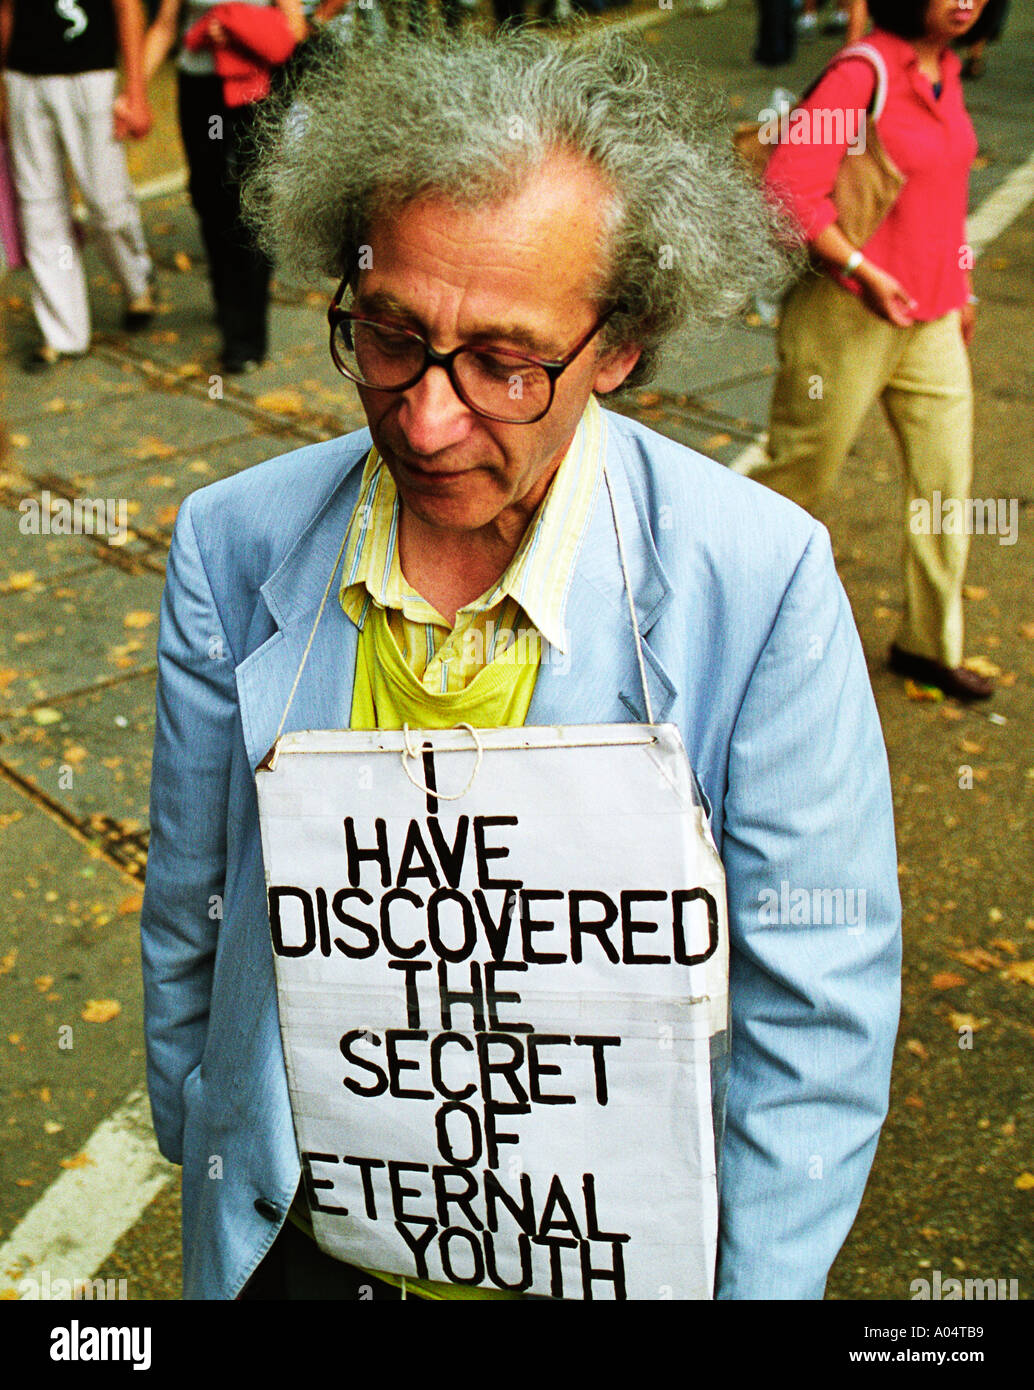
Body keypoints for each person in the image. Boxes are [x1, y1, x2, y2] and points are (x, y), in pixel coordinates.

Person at [141, 27, 901, 1300]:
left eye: (505, 365)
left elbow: (815, 1002)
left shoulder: (756, 580)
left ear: (619, 348)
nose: (428, 420)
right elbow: (193, 891)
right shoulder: (234, 541)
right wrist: (209, 1132)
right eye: (387, 337)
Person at [749, 0, 995, 701]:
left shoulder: (945, 70)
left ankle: (928, 645)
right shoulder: (863, 71)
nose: (965, 1)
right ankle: (726, 619)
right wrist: (859, 270)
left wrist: (965, 286)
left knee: (947, 486)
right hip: (847, 311)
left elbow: (945, 196)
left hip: (933, 317)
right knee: (799, 481)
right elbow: (788, 189)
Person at [142, 0, 306, 374]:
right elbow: (166, 27)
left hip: (255, 86)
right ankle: (227, 296)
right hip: (198, 89)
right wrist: (133, 91)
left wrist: (240, 26)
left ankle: (246, 335)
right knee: (207, 194)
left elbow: (294, 26)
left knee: (248, 205)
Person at [0, 0, 155, 371]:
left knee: (106, 203)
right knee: (39, 206)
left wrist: (136, 88)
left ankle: (137, 280)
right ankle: (63, 333)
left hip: (92, 72)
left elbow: (127, 6)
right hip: (25, 77)